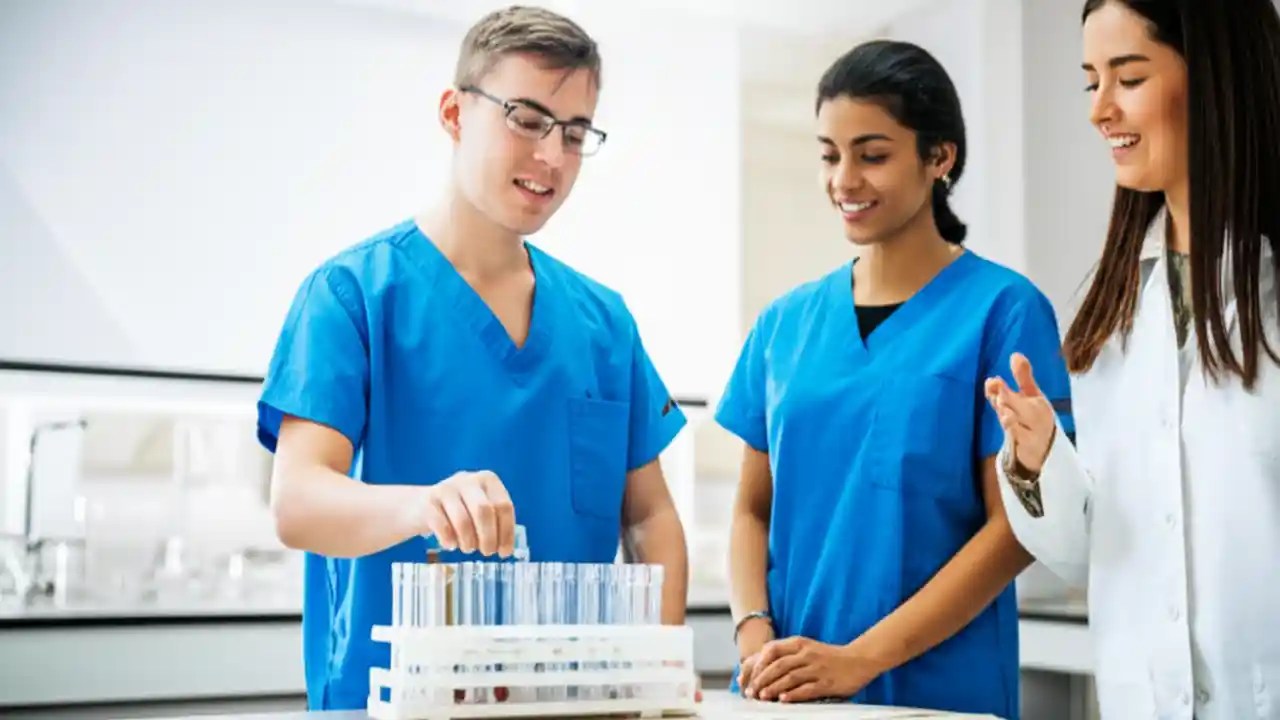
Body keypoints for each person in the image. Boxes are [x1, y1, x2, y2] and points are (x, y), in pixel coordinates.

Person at [256, 6, 690, 710]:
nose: (552, 156)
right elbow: (298, 502)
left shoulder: (604, 323)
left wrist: (656, 675)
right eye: (527, 119)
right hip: (392, 704)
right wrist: (421, 505)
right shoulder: (353, 295)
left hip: (569, 705)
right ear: (455, 114)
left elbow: (649, 517)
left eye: (574, 133)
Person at [717, 40, 1074, 718]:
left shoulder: (1003, 312)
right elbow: (752, 508)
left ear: (940, 157)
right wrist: (754, 636)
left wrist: (859, 660)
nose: (844, 180)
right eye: (830, 155)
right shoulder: (784, 323)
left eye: (872, 155)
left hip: (938, 696)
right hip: (786, 695)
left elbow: (1013, 530)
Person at [986, 0, 1280, 717]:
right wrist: (1040, 464)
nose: (1099, 109)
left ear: (1217, 78)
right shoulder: (1118, 310)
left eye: (1130, 77)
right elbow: (1097, 557)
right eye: (1092, 81)